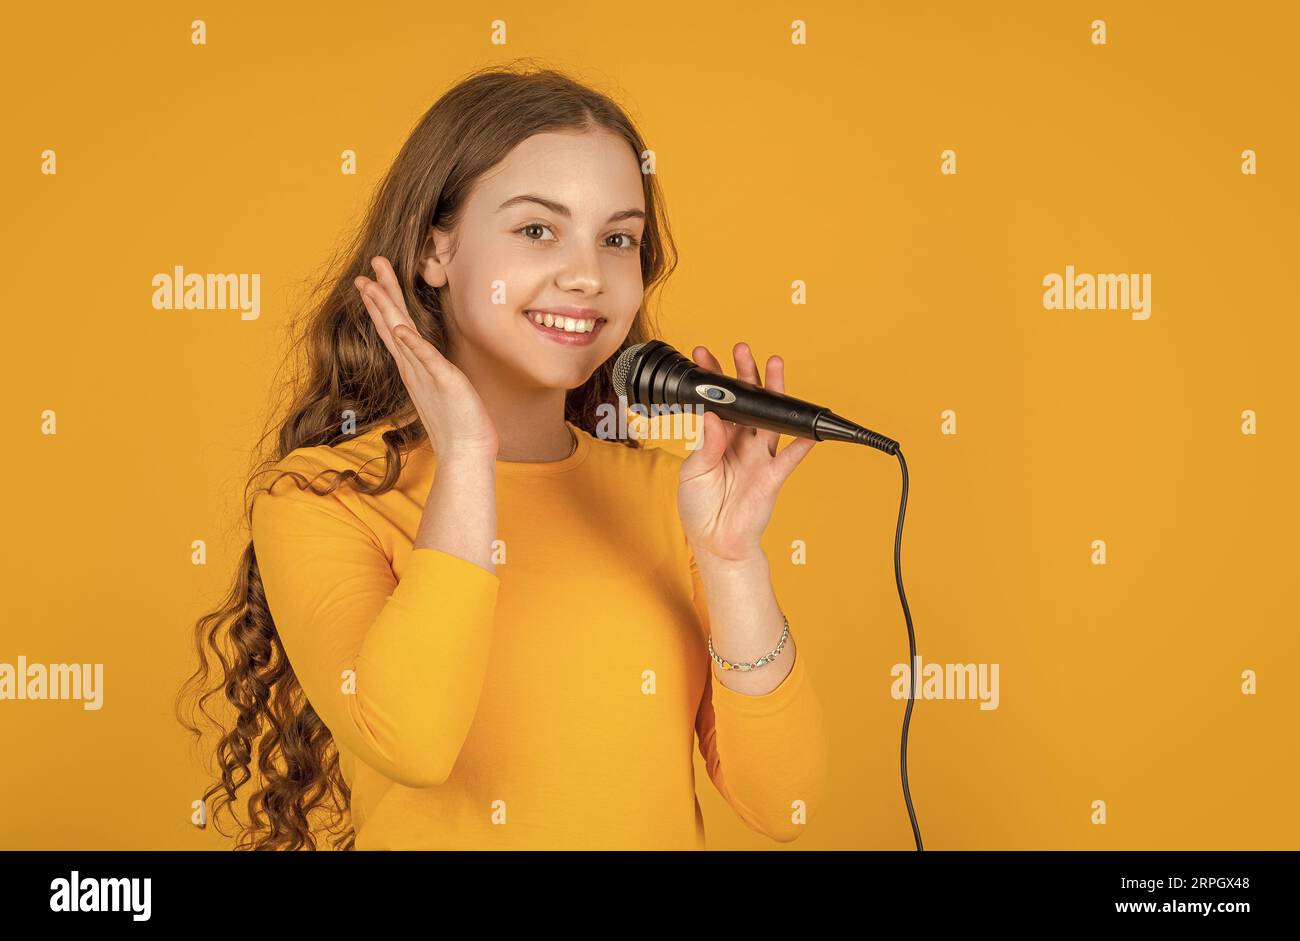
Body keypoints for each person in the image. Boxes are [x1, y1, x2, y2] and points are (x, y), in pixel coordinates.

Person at [176, 61, 828, 850]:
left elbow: (785, 803)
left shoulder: (672, 495)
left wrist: (731, 563)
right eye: (537, 230)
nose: (587, 275)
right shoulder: (321, 496)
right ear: (433, 253)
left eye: (618, 238)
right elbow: (411, 741)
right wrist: (468, 458)